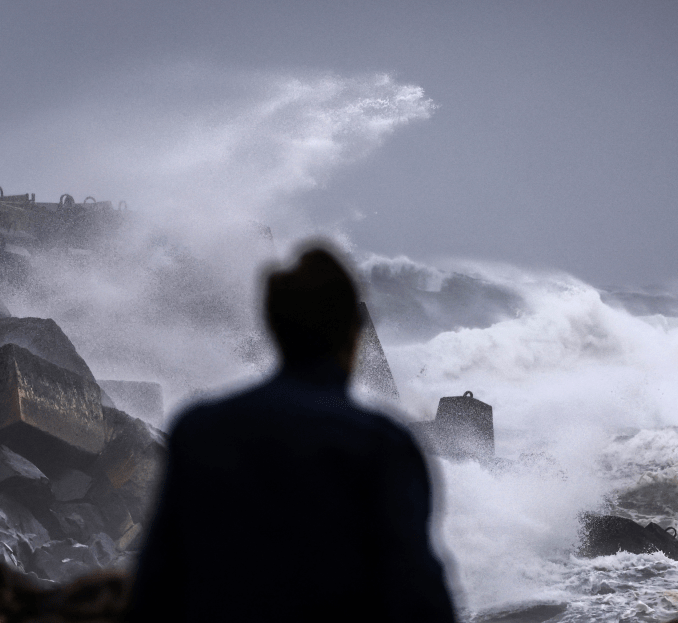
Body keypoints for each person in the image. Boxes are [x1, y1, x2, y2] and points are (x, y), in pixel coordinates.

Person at [127, 244, 457, 622]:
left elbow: (156, 582)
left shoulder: (199, 428)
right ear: (354, 334)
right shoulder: (383, 444)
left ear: (273, 326)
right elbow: (420, 595)